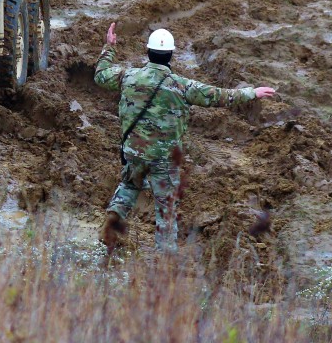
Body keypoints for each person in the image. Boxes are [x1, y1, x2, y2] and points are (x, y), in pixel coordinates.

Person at [95, 23, 276, 254]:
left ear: (147, 52)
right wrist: (252, 92)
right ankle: (165, 258)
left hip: (133, 152)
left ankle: (110, 227)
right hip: (164, 159)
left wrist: (109, 47)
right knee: (166, 206)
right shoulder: (182, 86)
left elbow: (100, 75)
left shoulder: (128, 76)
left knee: (129, 186)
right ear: (171, 55)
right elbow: (219, 96)